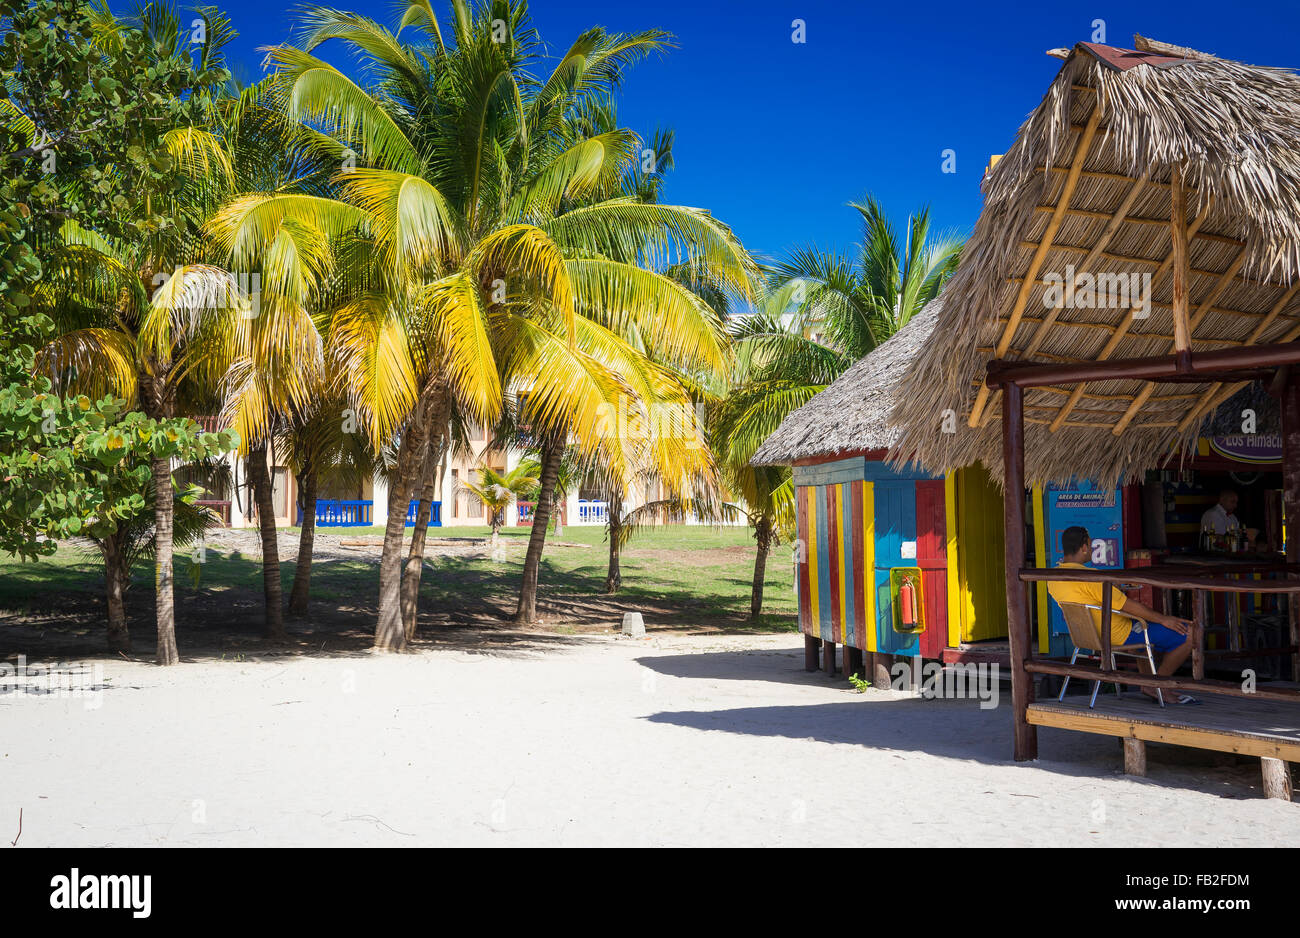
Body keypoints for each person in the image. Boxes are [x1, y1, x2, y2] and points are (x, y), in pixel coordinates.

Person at [1048, 525, 1199, 705]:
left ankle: (1148, 683)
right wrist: (1165, 619)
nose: (1092, 548)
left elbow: (1090, 598)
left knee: (1142, 629)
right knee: (1192, 633)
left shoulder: (1053, 577)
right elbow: (1129, 606)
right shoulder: (1091, 578)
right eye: (1090, 543)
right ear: (1084, 548)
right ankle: (1157, 685)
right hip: (1119, 634)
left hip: (1089, 637)